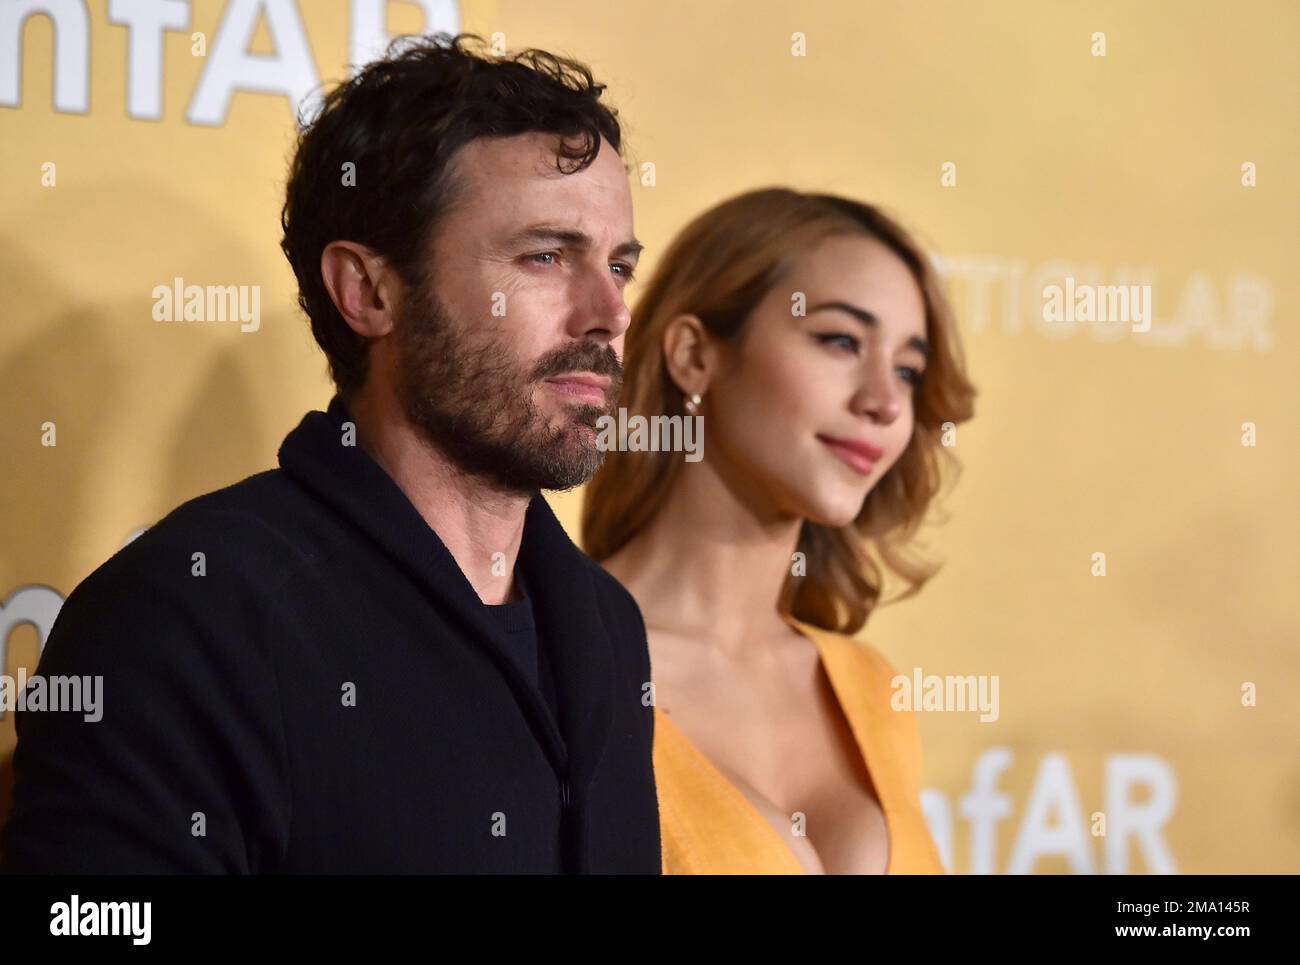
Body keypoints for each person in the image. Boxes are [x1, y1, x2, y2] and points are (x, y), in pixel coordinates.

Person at [0, 33, 659, 874]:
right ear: (369, 292)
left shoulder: (607, 626)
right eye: (545, 256)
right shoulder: (185, 617)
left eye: (620, 265)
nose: (609, 312)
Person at [582, 188, 976, 874]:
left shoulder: (870, 687)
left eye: (908, 370)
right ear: (694, 356)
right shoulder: (557, 662)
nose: (884, 401)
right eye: (840, 340)